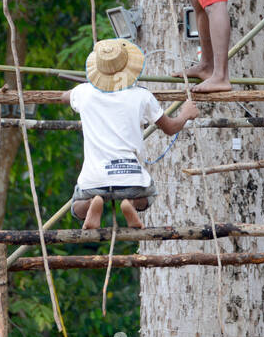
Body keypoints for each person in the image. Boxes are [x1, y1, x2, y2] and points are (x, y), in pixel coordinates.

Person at [62, 38, 199, 230]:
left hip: (94, 179)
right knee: (146, 198)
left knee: (76, 208)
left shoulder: (83, 93)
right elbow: (170, 128)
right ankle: (131, 204)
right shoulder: (142, 95)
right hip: (131, 177)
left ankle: (92, 203)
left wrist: (89, 86)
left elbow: (64, 97)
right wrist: (185, 114)